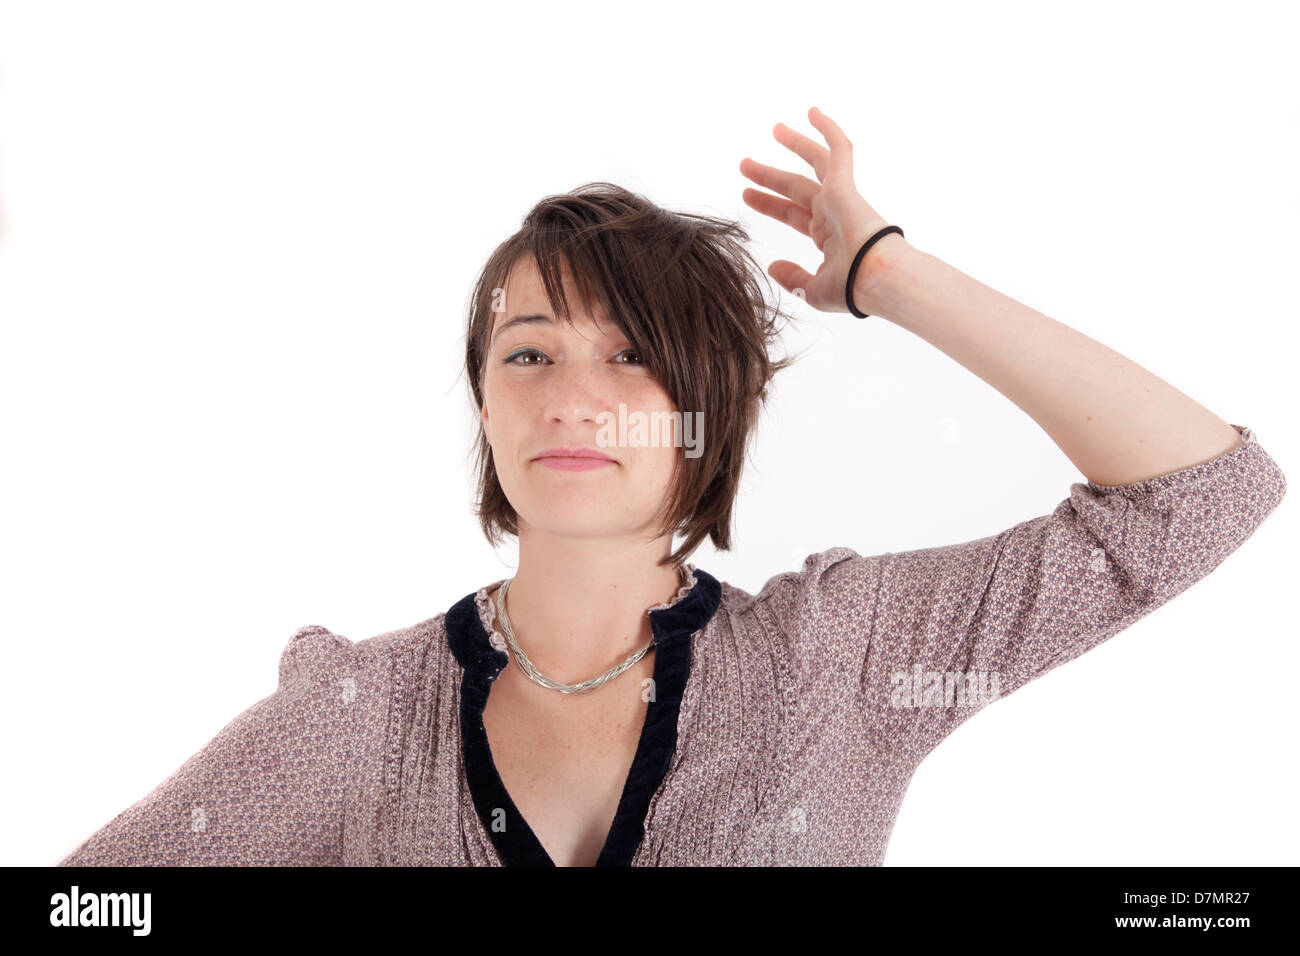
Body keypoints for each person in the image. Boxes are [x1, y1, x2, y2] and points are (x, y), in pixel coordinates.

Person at [58, 107, 1286, 867]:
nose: (572, 397)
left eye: (631, 355)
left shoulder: (840, 660)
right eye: (527, 354)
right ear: (485, 406)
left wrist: (884, 272)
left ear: (709, 408)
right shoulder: (359, 711)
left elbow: (1202, 492)